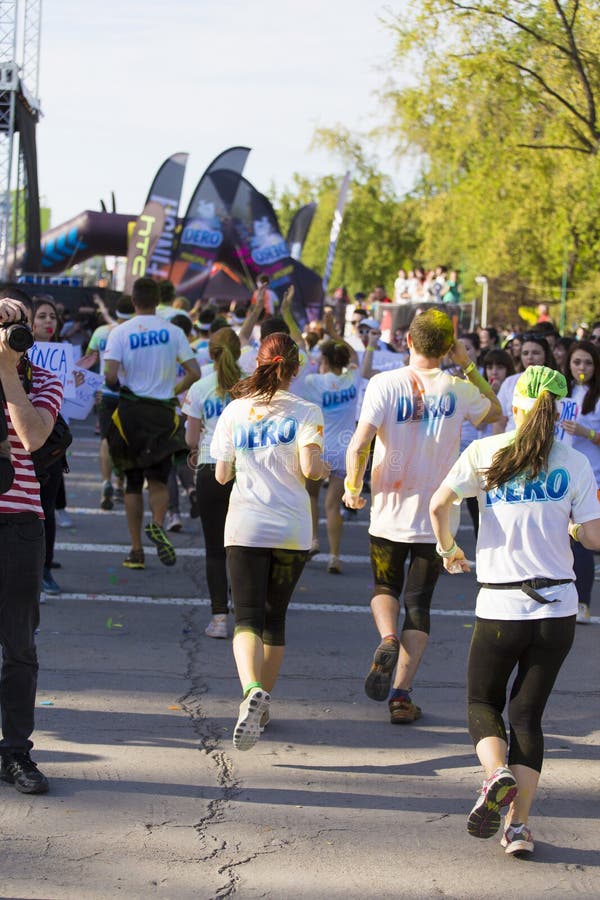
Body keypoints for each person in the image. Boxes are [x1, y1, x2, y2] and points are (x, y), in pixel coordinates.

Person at [429, 366, 600, 857]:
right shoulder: (574, 461)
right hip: (559, 608)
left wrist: (448, 550)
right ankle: (518, 828)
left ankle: (494, 773)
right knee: (527, 717)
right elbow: (593, 536)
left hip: (502, 602)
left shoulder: (485, 452)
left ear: (517, 402)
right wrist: (572, 530)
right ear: (558, 408)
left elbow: (440, 505)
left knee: (482, 703)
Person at [343, 309, 501, 724]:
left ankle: (387, 636)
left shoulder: (384, 383)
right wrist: (467, 364)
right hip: (438, 516)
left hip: (388, 509)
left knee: (384, 584)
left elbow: (359, 444)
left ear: (407, 342)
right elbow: (498, 411)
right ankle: (400, 693)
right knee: (419, 603)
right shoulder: (458, 388)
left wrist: (352, 488)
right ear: (447, 347)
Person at [210, 332, 327, 751]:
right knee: (274, 619)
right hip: (292, 530)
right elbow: (312, 469)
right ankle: (264, 704)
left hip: (245, 526)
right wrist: (327, 467)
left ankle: (251, 690)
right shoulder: (307, 411)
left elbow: (221, 474)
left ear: (256, 363)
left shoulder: (235, 411)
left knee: (246, 618)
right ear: (294, 369)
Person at [0, 287, 63, 794]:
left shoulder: (41, 379)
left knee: (18, 645)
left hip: (20, 524)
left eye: (16, 323)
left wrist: (6, 373)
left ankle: (16, 751)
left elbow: (34, 437)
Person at [104, 277, 200, 569]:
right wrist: (171, 390)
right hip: (162, 412)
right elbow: (194, 371)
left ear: (133, 301)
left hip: (131, 412)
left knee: (133, 482)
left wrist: (124, 382)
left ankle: (135, 550)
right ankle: (158, 523)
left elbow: (110, 376)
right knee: (158, 479)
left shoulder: (120, 332)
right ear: (158, 302)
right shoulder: (173, 332)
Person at [183, 326, 244, 638]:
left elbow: (191, 438)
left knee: (214, 549)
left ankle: (219, 618)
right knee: (244, 547)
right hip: (247, 470)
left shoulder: (199, 388)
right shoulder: (251, 384)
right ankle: (247, 618)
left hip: (209, 466)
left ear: (210, 353)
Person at [300, 337, 360, 572]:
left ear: (324, 360)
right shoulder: (352, 378)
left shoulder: (313, 381)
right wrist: (338, 335)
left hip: (319, 447)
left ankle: (313, 540)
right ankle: (334, 556)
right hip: (345, 450)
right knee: (333, 506)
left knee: (311, 496)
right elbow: (355, 357)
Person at [562, 340, 600, 624]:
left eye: (588, 363)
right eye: (577, 362)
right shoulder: (562, 394)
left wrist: (588, 433)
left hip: (594, 479)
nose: (582, 368)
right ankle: (573, 599)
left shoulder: (597, 397)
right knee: (570, 540)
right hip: (564, 478)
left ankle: (583, 602)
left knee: (587, 541)